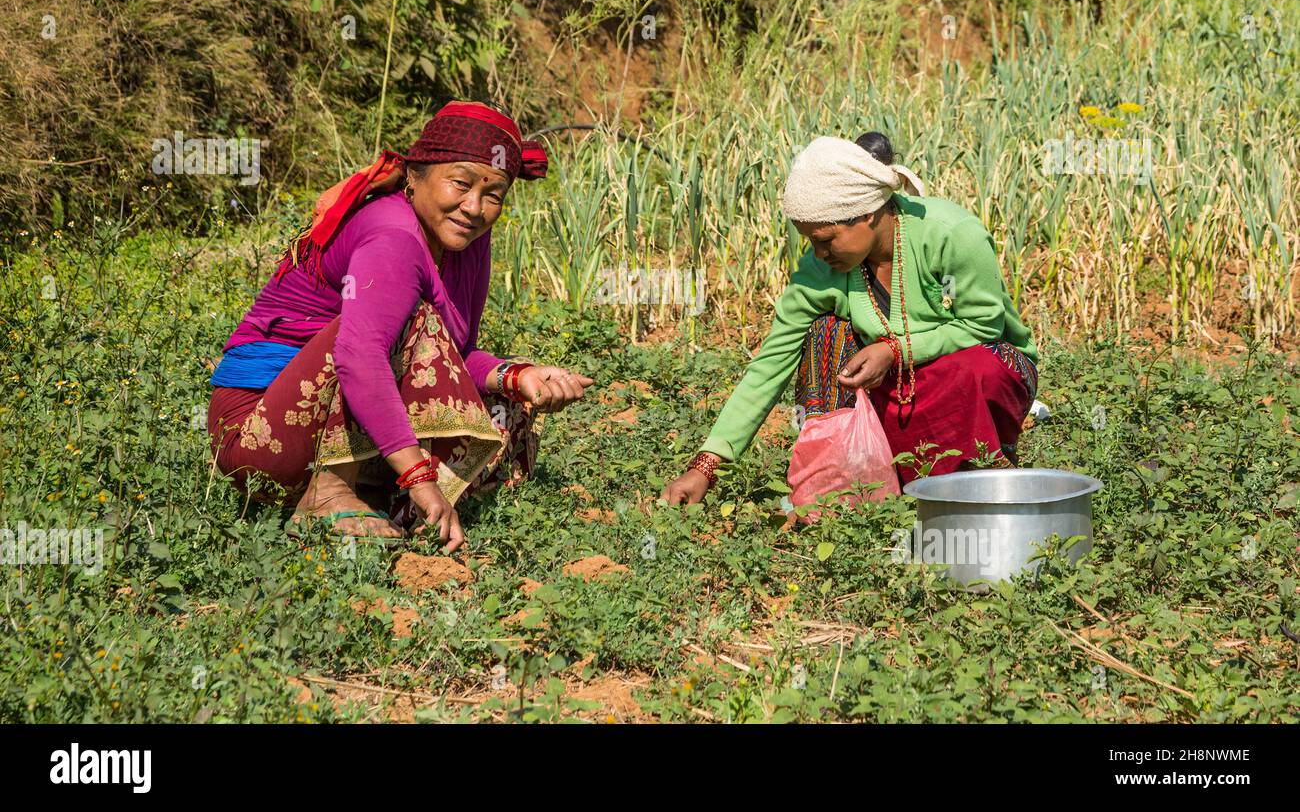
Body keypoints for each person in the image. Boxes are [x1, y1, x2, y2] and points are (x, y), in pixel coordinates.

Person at [207, 100, 594, 548]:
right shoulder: (394, 234)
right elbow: (359, 355)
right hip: (258, 436)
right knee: (395, 326)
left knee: (505, 406)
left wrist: (516, 374)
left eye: (493, 195)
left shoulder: (465, 240)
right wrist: (419, 477)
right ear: (414, 176)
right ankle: (328, 492)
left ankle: (372, 493)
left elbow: (447, 353)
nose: (474, 207)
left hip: (319, 426)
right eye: (460, 184)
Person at [662, 132, 1038, 506]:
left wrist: (894, 350)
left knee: (971, 366)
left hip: (981, 375)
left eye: (827, 239)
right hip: (898, 390)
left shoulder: (951, 235)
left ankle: (977, 470)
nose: (819, 253)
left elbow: (982, 326)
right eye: (810, 241)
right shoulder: (823, 269)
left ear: (869, 214)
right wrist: (706, 465)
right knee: (826, 333)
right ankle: (853, 480)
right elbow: (771, 363)